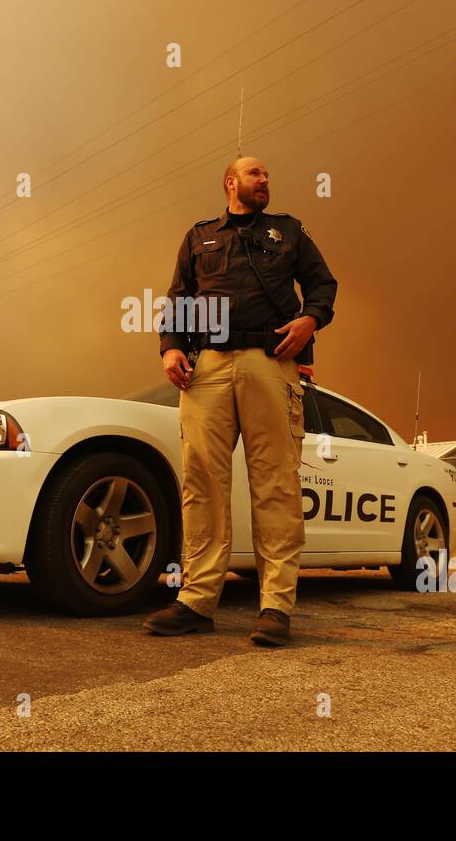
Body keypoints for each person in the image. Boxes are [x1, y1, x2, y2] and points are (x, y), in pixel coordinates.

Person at [143, 156, 337, 646]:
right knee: (202, 482)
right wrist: (169, 347)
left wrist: (310, 319)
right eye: (255, 173)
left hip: (270, 363)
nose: (265, 179)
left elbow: (322, 284)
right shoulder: (200, 236)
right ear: (231, 183)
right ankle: (197, 600)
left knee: (275, 482)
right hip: (206, 368)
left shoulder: (288, 231)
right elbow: (179, 297)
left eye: (269, 173)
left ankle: (275, 607)